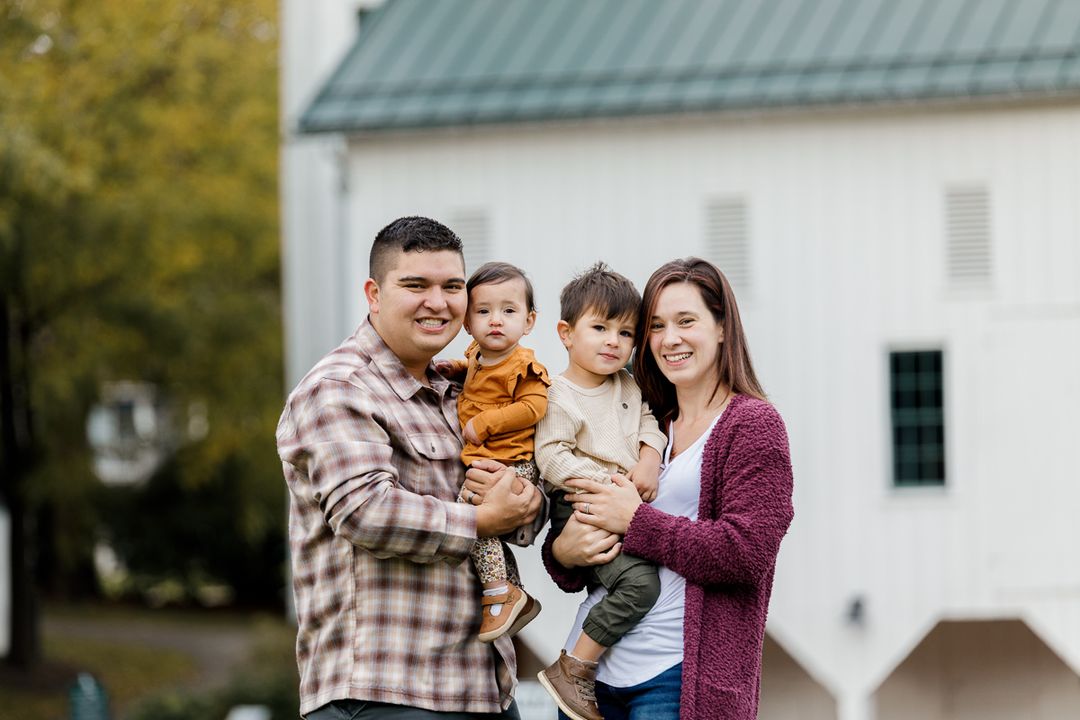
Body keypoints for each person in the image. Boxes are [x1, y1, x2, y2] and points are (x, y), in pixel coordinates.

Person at [276, 216, 542, 719]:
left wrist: (526, 501)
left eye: (453, 287)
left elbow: (517, 506)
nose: (437, 302)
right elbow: (365, 512)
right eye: (415, 285)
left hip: (484, 687)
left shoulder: (463, 391)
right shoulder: (339, 387)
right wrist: (483, 520)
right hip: (384, 692)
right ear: (374, 293)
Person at [542, 257, 794, 720]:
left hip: (677, 678)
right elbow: (585, 547)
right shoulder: (644, 420)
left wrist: (636, 521)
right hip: (590, 681)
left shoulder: (753, 426)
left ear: (721, 328)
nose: (669, 338)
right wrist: (563, 554)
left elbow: (745, 553)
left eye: (686, 321)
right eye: (656, 325)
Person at [532, 263, 668, 720]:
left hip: (620, 502)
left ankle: (584, 661)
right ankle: (575, 666)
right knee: (640, 583)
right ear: (566, 333)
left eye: (626, 333)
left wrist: (649, 458)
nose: (614, 341)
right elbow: (551, 457)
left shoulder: (627, 385)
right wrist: (606, 486)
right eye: (600, 328)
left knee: (646, 573)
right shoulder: (557, 395)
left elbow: (650, 424)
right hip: (580, 505)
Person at [438, 261, 550, 642]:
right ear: (468, 322)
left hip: (514, 463)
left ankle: (500, 595)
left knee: (472, 520)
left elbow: (534, 408)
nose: (496, 321)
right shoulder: (477, 355)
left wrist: (485, 424)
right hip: (488, 463)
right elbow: (472, 370)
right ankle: (510, 590)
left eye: (509, 311)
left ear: (529, 320)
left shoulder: (523, 366)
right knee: (480, 529)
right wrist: (454, 367)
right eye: (483, 312)